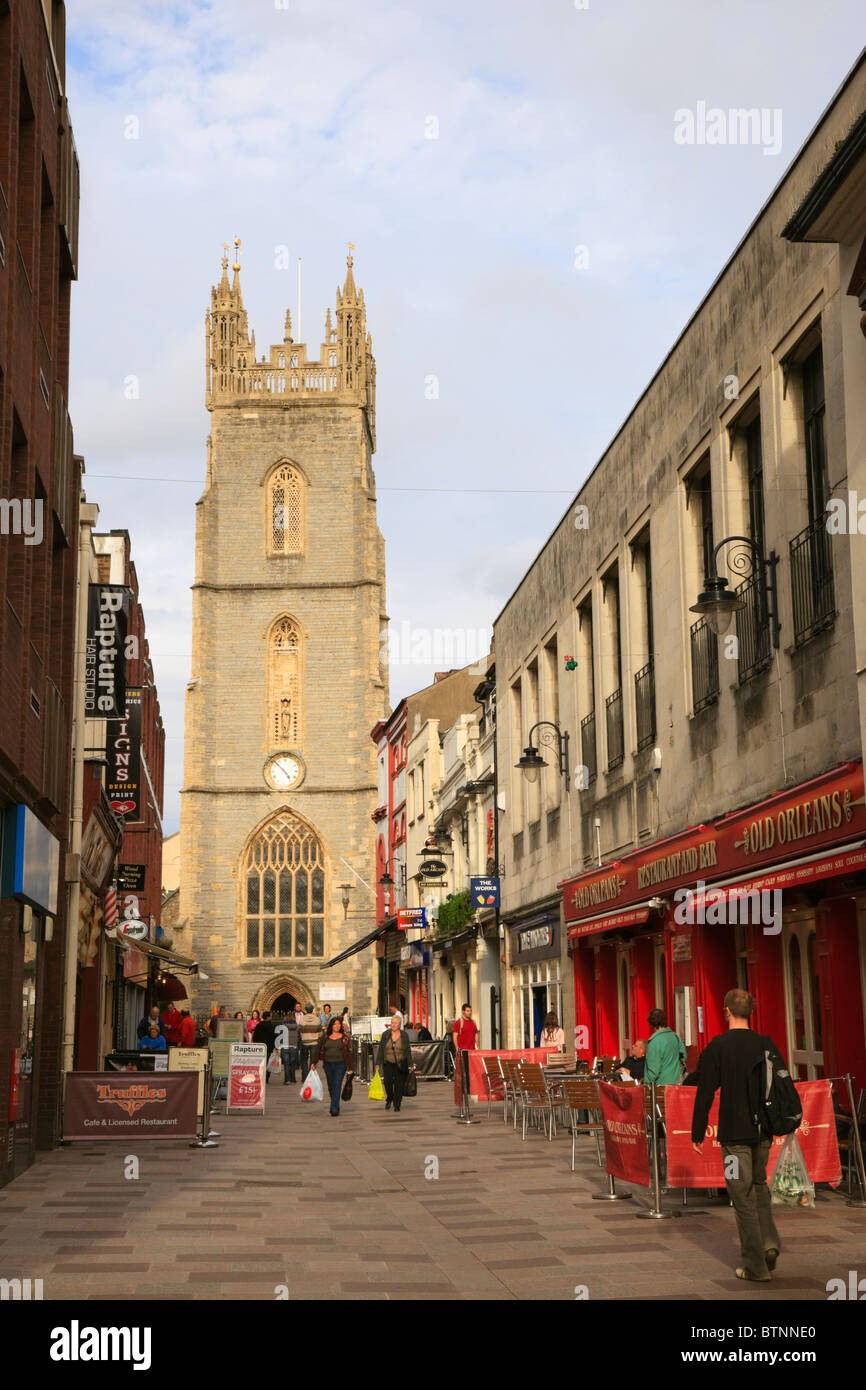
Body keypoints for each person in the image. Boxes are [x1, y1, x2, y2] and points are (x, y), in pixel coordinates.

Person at [691, 989, 784, 1283]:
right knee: (759, 1185)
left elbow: (705, 1091)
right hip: (763, 1134)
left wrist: (697, 1131)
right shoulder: (765, 1043)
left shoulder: (717, 1047)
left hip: (732, 1138)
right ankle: (769, 1241)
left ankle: (755, 1265)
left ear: (727, 1011)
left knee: (739, 1193)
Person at [315, 1015, 354, 1116]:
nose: (337, 1026)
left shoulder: (345, 1038)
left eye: (338, 1024)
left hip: (340, 1064)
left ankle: (333, 1108)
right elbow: (318, 1050)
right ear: (331, 1026)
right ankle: (336, 1104)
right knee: (331, 1086)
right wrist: (313, 1063)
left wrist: (351, 1068)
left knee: (337, 1084)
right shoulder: (325, 1037)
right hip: (327, 1064)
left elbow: (348, 1054)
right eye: (335, 1024)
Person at [376, 1013, 411, 1112]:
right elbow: (381, 1049)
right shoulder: (386, 1034)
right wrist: (378, 1063)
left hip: (401, 1063)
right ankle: (389, 1098)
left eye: (395, 1023)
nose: (393, 1025)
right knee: (387, 1083)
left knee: (399, 1085)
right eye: (392, 1023)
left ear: (399, 1025)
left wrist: (411, 1064)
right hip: (388, 1063)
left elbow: (408, 1050)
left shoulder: (404, 1035)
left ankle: (397, 1104)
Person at [644, 1008, 686, 1085]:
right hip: (677, 1084)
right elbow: (683, 1057)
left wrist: (645, 1085)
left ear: (651, 1023)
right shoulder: (675, 1037)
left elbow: (653, 1072)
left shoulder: (654, 1042)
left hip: (661, 1088)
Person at [253, 1010, 278, 1082]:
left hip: (260, 1047)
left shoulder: (259, 1025)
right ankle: (266, 1078)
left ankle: (260, 1076)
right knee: (268, 1062)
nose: (271, 1017)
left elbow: (255, 1036)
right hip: (268, 1047)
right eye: (270, 1016)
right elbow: (274, 1037)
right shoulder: (271, 1026)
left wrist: (255, 1044)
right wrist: (275, 1047)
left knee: (260, 1062)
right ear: (267, 1017)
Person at [299, 1002, 323, 1077]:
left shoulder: (302, 1019)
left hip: (305, 1042)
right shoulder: (317, 1019)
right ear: (312, 1010)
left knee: (304, 1060)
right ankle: (311, 1076)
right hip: (314, 1042)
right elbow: (320, 1032)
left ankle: (304, 1076)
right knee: (313, 1061)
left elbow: (300, 1030)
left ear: (306, 1010)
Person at [280, 1010, 301, 1085]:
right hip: (294, 1046)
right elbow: (299, 1036)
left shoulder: (282, 1026)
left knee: (286, 1064)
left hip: (285, 1046)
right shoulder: (297, 1026)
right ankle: (293, 1079)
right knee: (293, 1064)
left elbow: (280, 1036)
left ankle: (287, 1080)